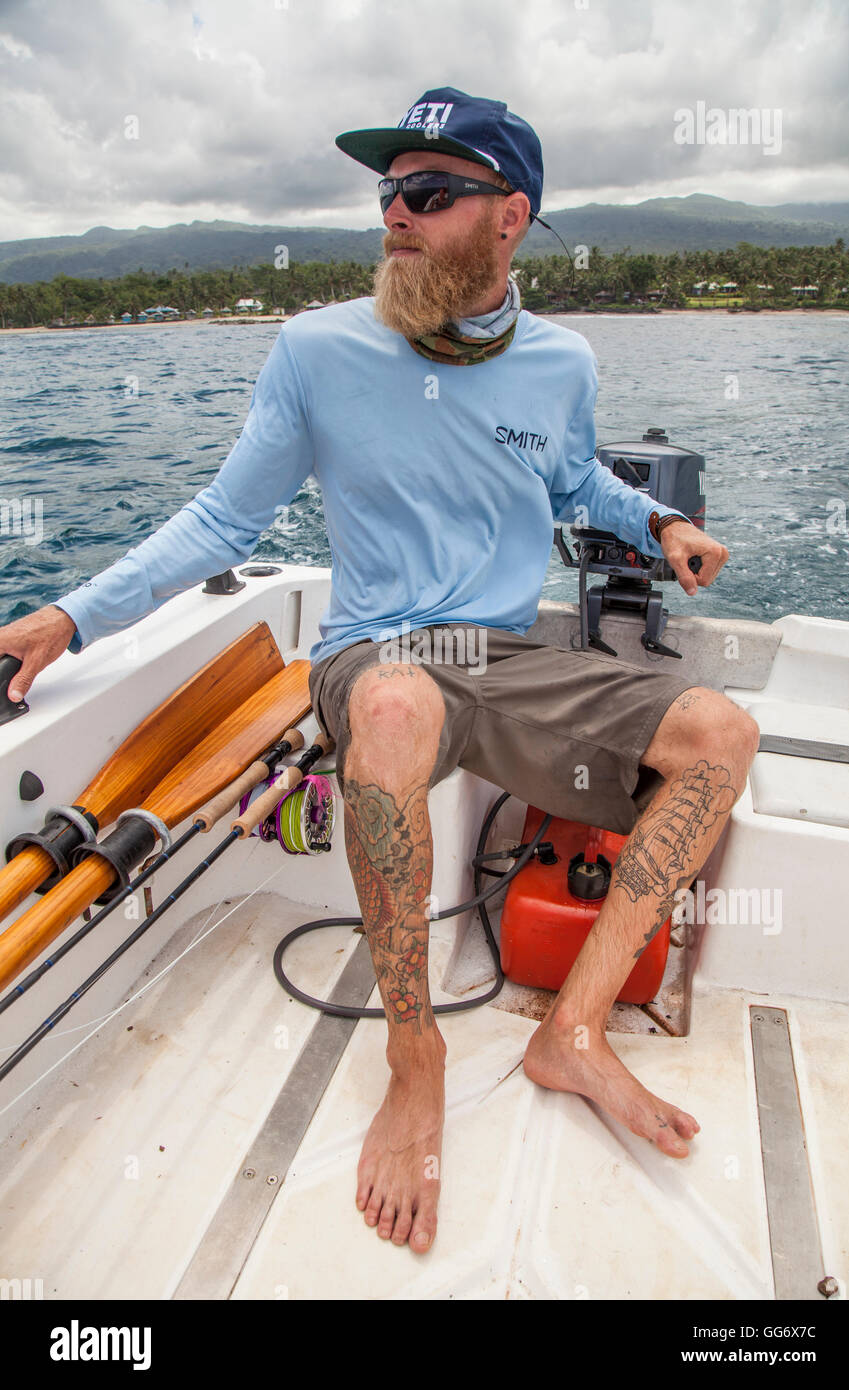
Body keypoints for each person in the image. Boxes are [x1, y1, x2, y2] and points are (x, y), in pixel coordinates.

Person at [1, 87, 758, 1258]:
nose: (393, 216)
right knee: (400, 700)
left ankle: (573, 1031)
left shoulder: (561, 363)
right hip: (379, 653)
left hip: (498, 656)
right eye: (388, 194)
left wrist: (656, 523)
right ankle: (415, 1053)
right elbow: (218, 522)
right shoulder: (315, 349)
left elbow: (572, 485)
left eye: (427, 193)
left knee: (720, 732)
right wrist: (68, 618)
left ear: (508, 218)